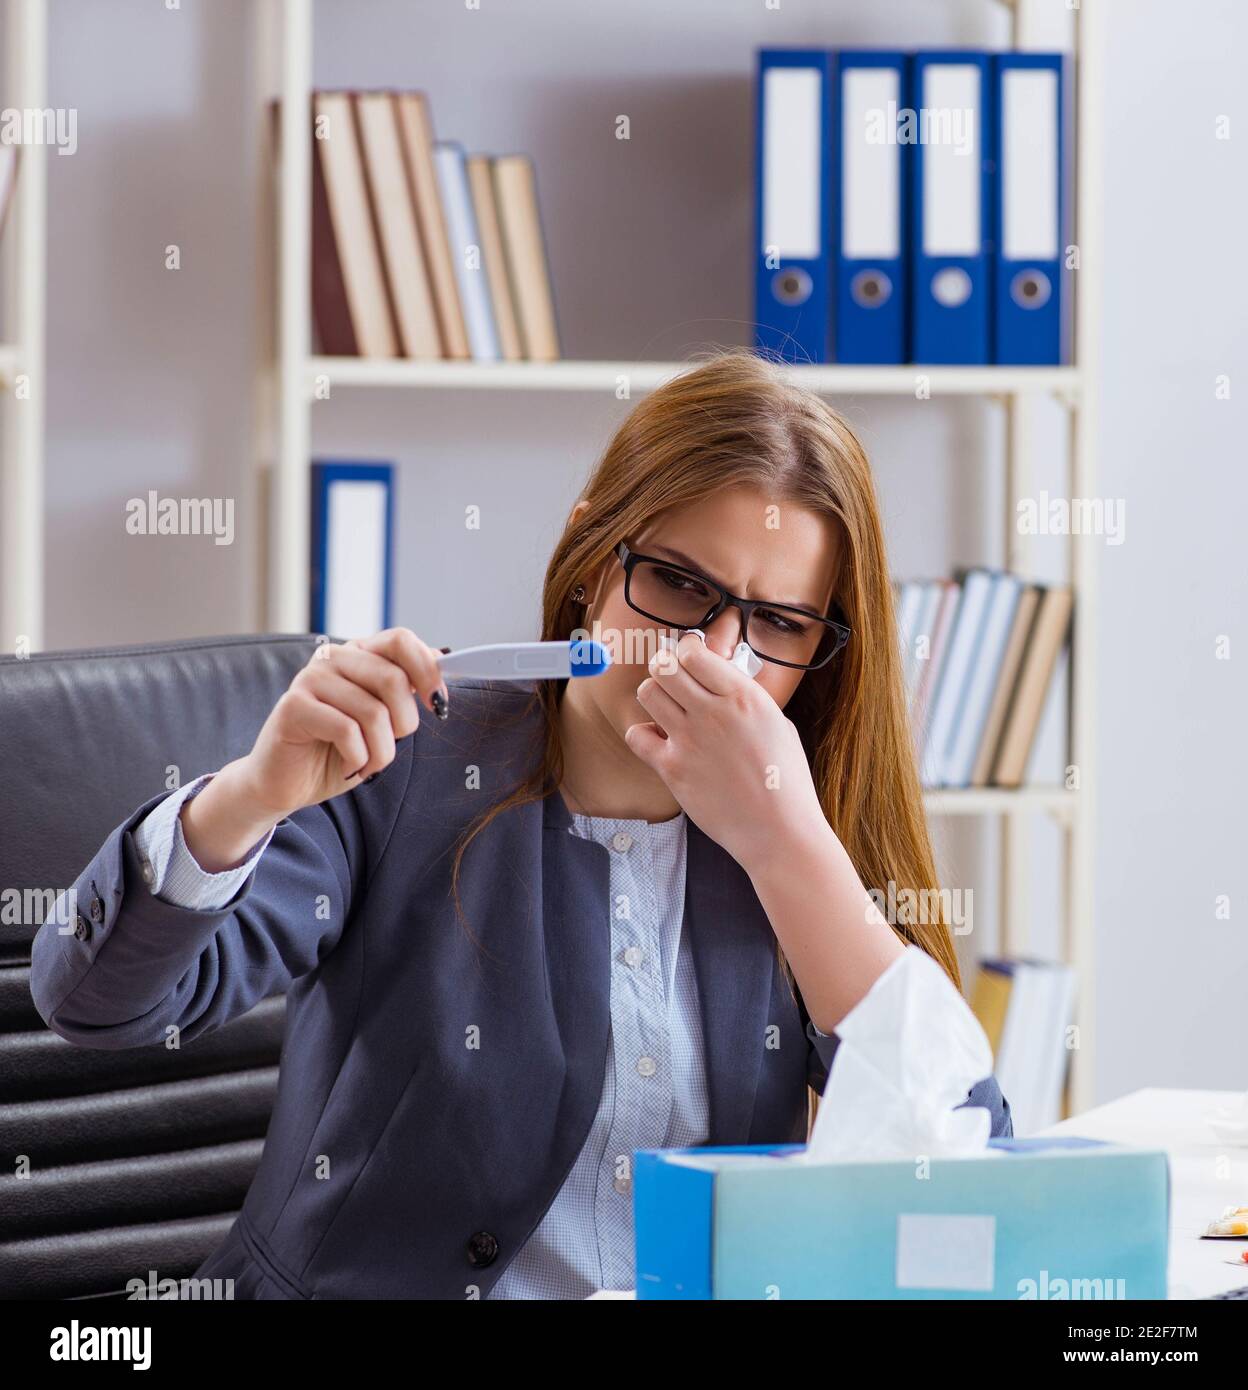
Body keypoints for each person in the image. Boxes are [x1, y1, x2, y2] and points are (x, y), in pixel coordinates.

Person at [31, 348, 1011, 1300]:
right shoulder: (404, 762)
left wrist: (786, 843)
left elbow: (961, 1176)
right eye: (677, 585)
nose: (715, 659)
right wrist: (248, 793)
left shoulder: (802, 825)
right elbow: (96, 1000)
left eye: (777, 625)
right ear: (592, 558)